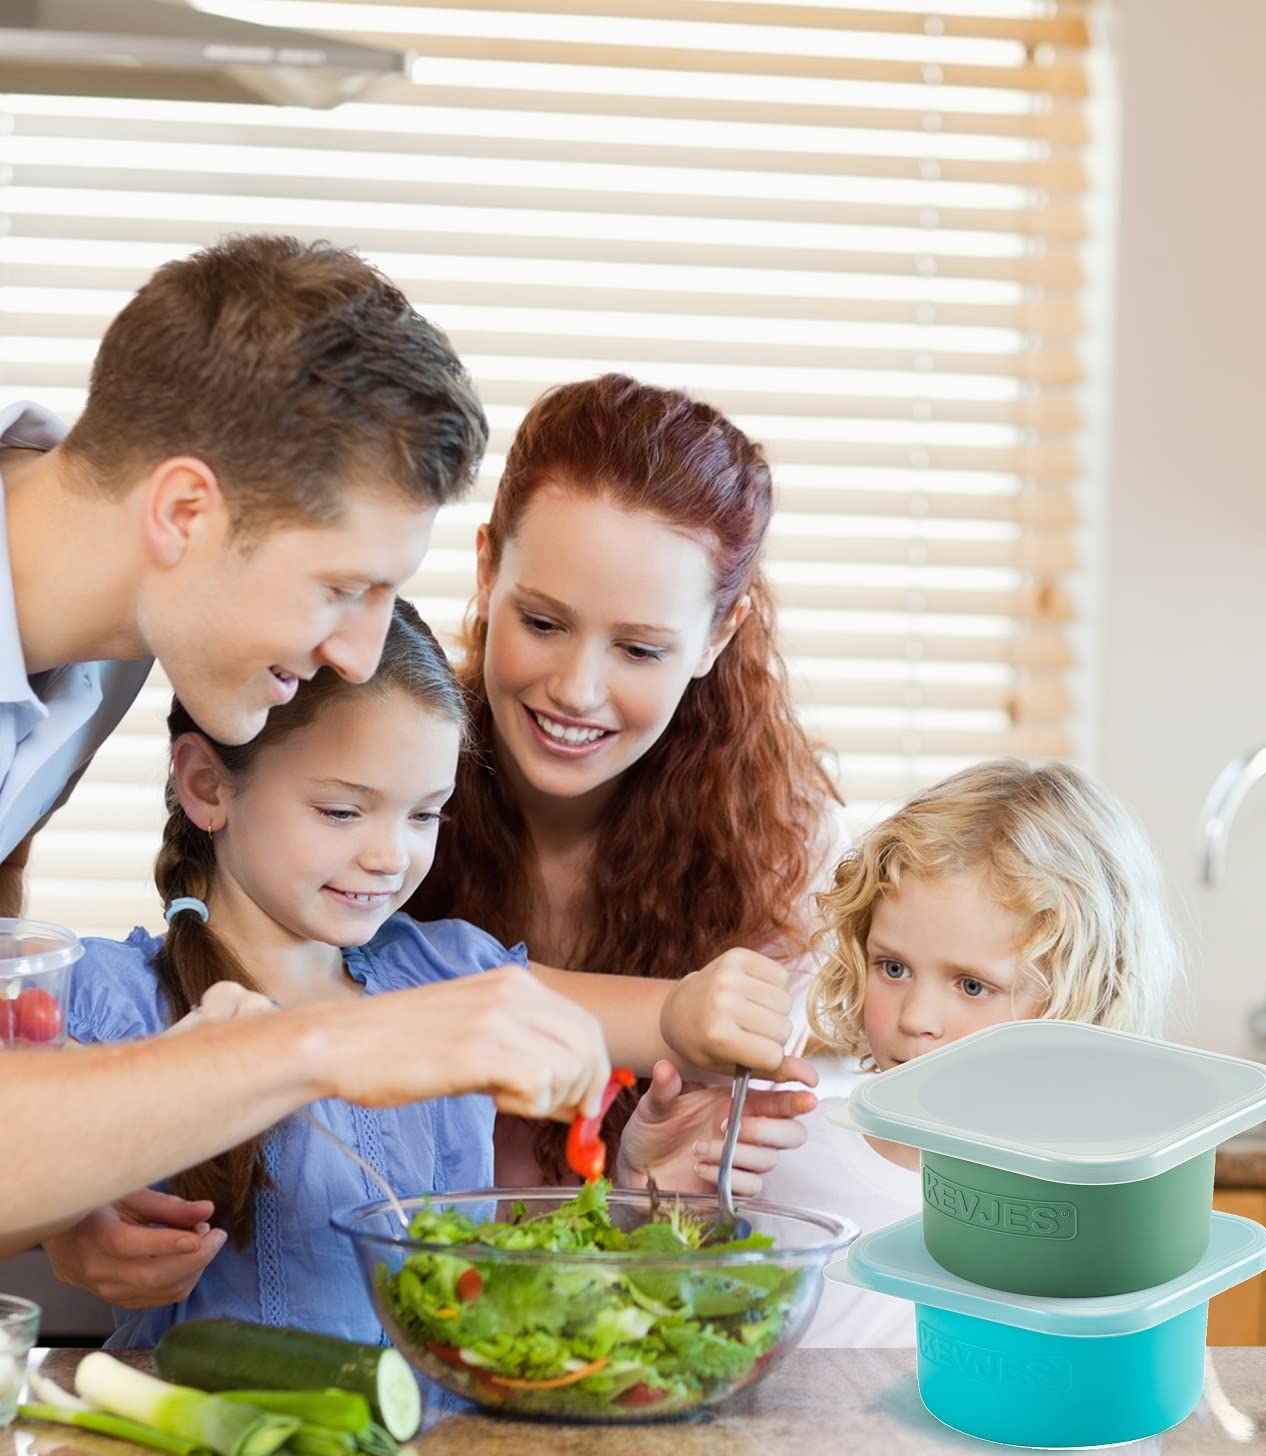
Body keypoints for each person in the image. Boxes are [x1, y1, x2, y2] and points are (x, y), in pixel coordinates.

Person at [0, 232, 599, 1252]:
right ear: (185, 510)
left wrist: (61, 1185)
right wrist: (321, 1042)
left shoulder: (112, 613)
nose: (362, 656)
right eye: (341, 588)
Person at [41, 602, 809, 1344]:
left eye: (424, 815)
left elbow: (664, 1022)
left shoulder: (448, 973)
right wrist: (67, 1222)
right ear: (207, 786)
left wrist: (699, 1038)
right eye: (344, 811)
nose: (392, 857)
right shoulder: (110, 999)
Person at [411, 372, 844, 1184]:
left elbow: (681, 1246)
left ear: (720, 634)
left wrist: (646, 1202)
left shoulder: (782, 847)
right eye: (542, 622)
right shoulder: (374, 768)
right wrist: (666, 1019)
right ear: (485, 568)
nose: (576, 689)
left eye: (641, 650)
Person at [770, 758, 1180, 1348]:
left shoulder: (1098, 1212)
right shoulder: (786, 1155)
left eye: (970, 986)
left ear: (1077, 1001)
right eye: (892, 968)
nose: (914, 1019)